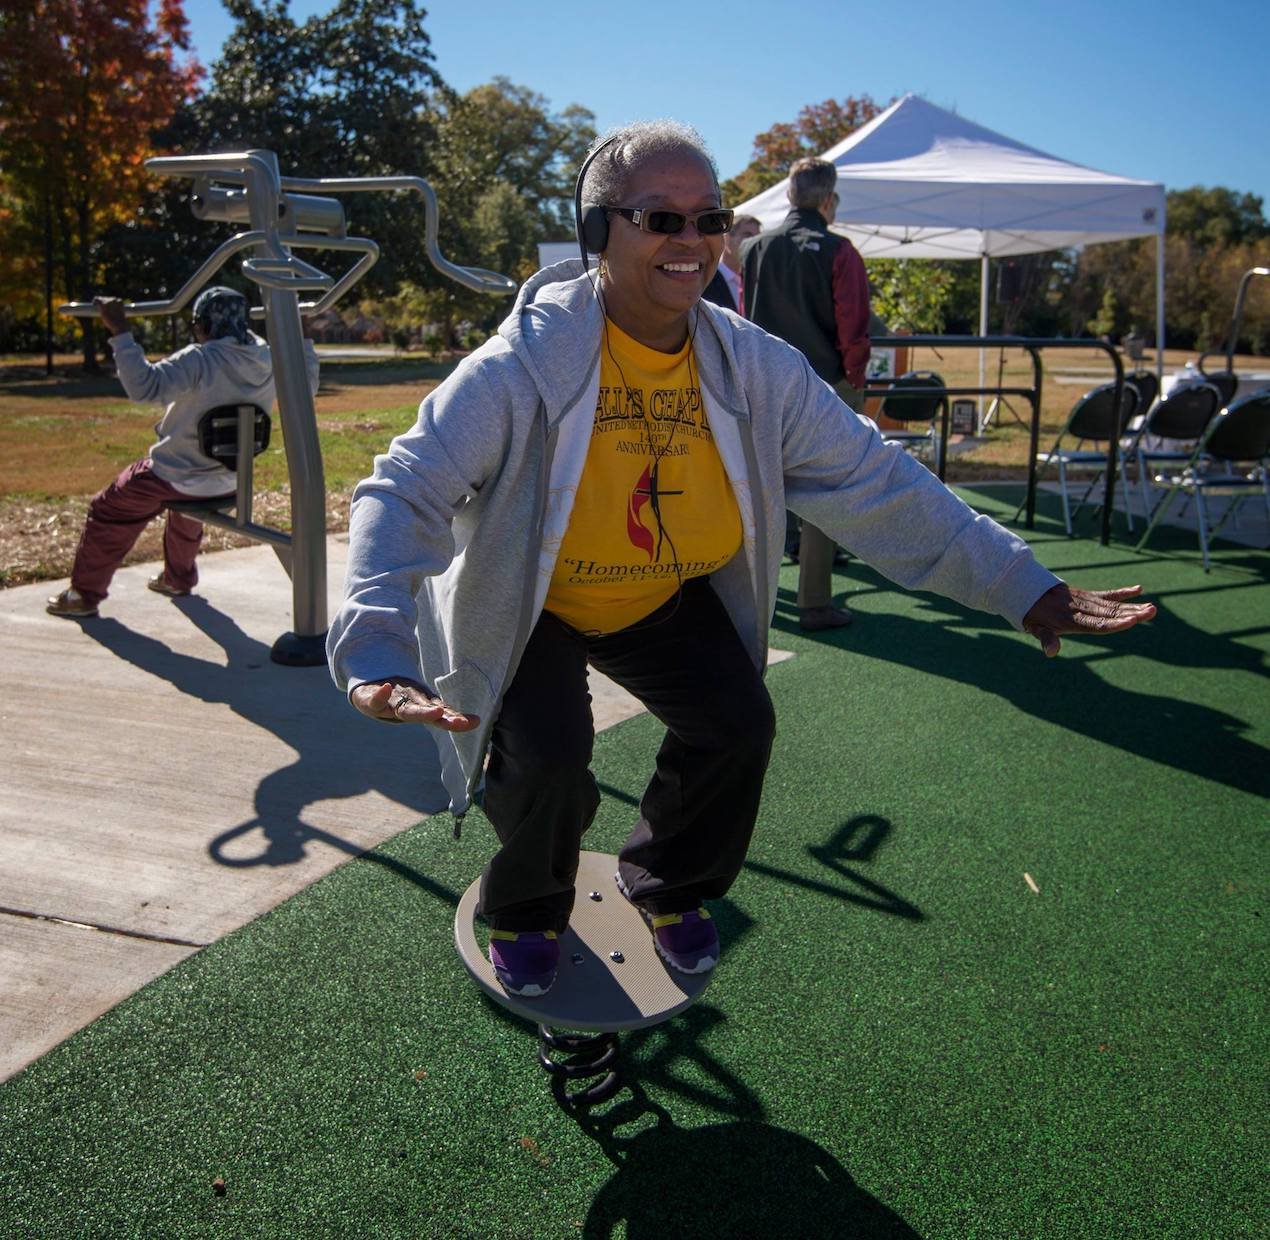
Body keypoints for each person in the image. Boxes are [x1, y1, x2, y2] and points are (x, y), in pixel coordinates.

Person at [327, 122, 1154, 1000]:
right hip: (544, 604)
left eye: (708, 218)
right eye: (660, 219)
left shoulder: (755, 368)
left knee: (736, 724)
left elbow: (877, 480)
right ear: (598, 232)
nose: (691, 242)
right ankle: (527, 908)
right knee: (552, 756)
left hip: (661, 596)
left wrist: (1020, 584)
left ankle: (668, 882)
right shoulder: (523, 365)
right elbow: (402, 488)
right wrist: (376, 649)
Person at [46, 288, 320, 618]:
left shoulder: (200, 359)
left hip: (175, 476)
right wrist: (303, 335)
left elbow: (144, 387)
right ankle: (177, 578)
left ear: (203, 325)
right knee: (187, 506)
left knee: (109, 510)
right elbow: (307, 384)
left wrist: (120, 332)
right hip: (231, 480)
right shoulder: (268, 358)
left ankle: (82, 595)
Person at [741, 157, 871, 631]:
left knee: (757, 493)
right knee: (825, 493)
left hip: (762, 385)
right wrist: (853, 379)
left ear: (791, 196)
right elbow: (853, 326)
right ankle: (814, 600)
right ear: (828, 200)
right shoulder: (841, 251)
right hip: (825, 386)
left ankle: (751, 600)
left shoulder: (754, 248)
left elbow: (745, 319)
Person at [702, 213, 759, 312]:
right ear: (726, 238)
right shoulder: (706, 279)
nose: (754, 242)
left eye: (758, 237)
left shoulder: (756, 280)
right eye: (748, 235)